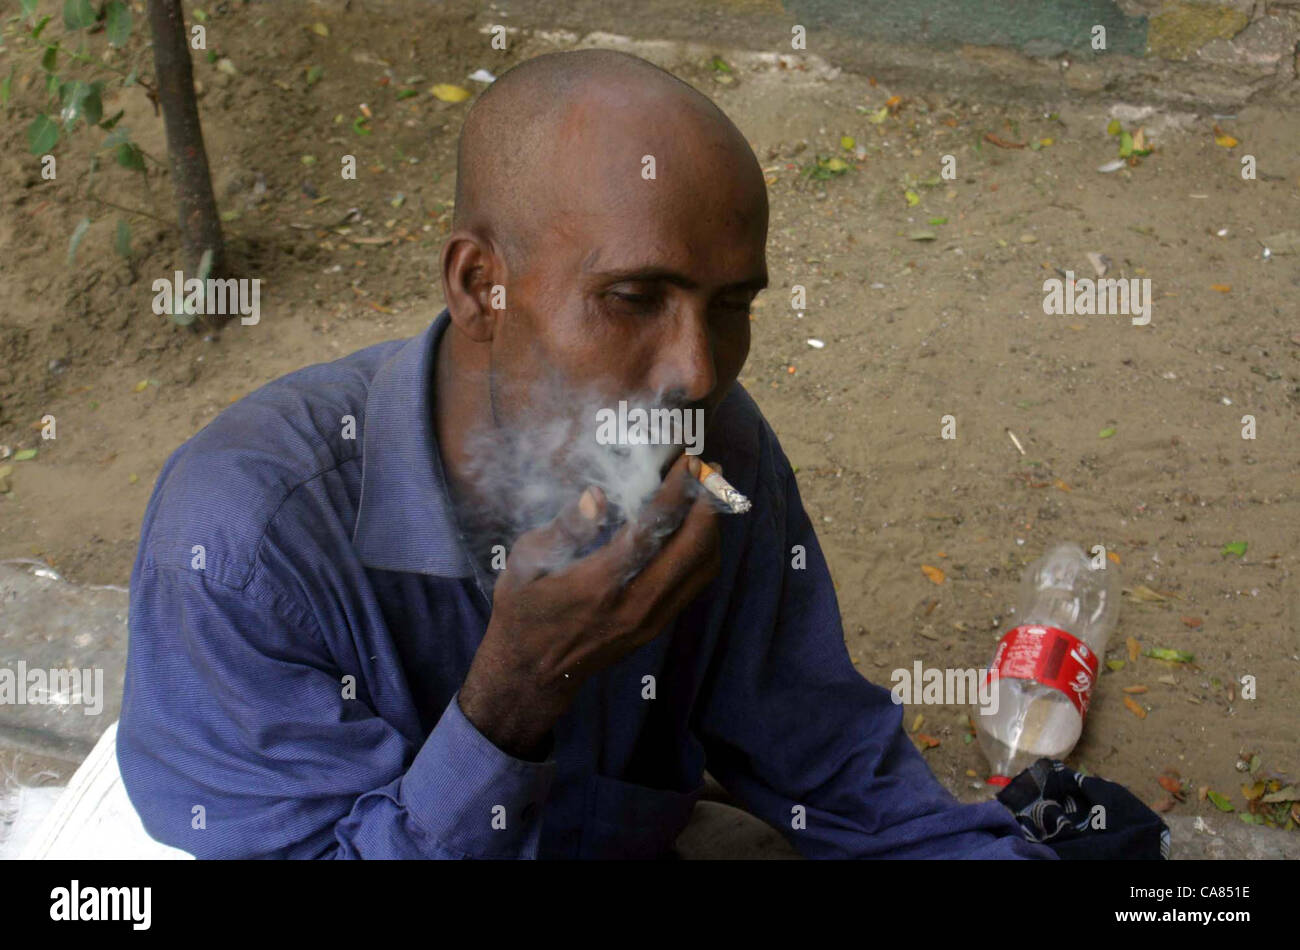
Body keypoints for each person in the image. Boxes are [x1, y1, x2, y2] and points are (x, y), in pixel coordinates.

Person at [117, 49, 1054, 859]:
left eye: (731, 306)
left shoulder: (708, 445)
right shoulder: (242, 544)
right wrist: (519, 687)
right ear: (482, 285)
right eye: (636, 296)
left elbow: (834, 764)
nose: (696, 371)